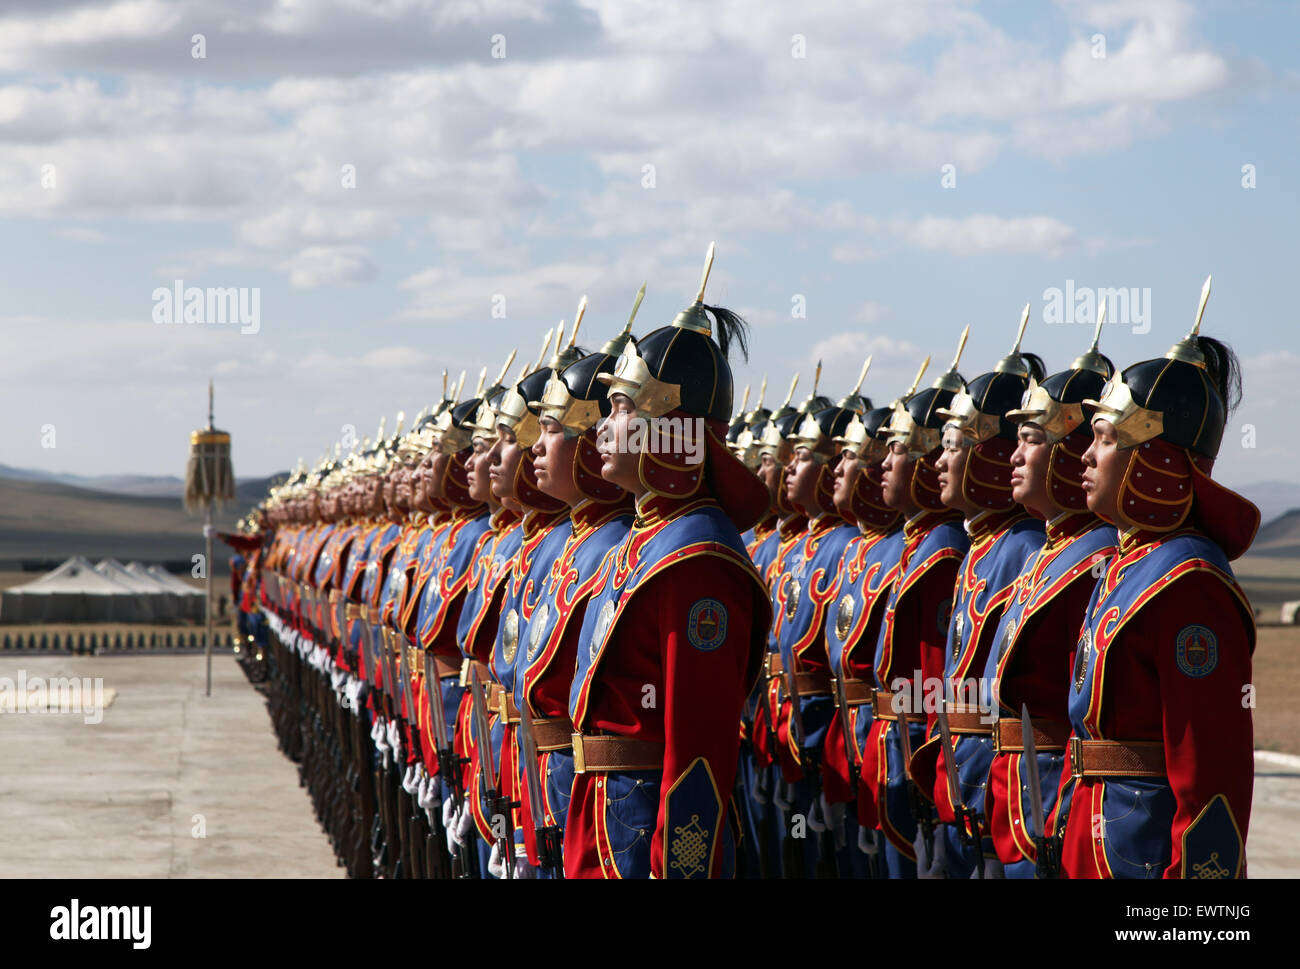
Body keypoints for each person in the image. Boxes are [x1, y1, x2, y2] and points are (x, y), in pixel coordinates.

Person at [564, 246, 772, 878]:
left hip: (639, 837)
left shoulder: (696, 560)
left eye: (623, 408)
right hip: (603, 821)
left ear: (674, 429)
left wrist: (679, 868)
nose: (603, 427)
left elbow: (699, 751)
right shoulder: (649, 537)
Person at [1061, 280, 1258, 878]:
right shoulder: (1129, 561)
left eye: (1105, 437)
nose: (1085, 457)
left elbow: (1211, 772)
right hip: (1088, 840)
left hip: (1142, 860)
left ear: (1158, 457)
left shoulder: (1188, 581)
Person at [908, 315, 1047, 879]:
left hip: (1003, 803)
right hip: (964, 790)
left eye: (954, 445)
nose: (939, 460)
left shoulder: (1021, 548)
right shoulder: (983, 545)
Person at [984, 320, 1118, 877]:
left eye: (1033, 439)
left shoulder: (1094, 559)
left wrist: (1058, 821)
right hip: (1012, 803)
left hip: (1050, 813)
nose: (1013, 454)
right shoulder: (1047, 549)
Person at [515, 311, 641, 875]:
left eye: (552, 430)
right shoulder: (571, 541)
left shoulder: (611, 545)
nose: (531, 449)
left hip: (589, 791)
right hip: (541, 776)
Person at [860, 335, 970, 878]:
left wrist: (927, 776)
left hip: (920, 759)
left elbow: (931, 681)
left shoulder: (944, 551)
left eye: (901, 448)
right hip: (886, 750)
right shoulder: (916, 544)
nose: (884, 461)